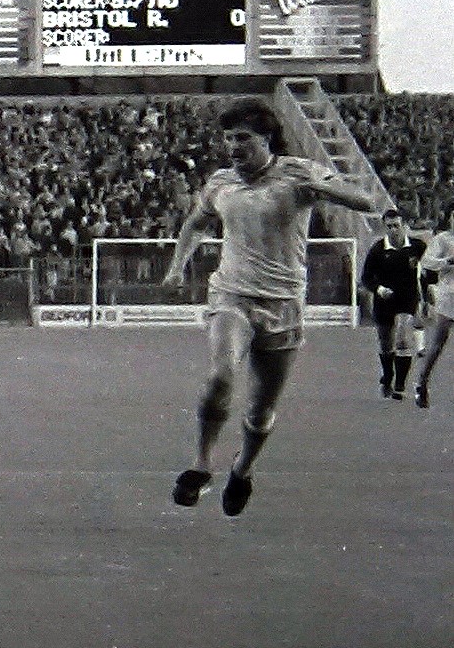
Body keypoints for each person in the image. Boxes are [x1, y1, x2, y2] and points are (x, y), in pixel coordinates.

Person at [163, 98, 381, 514]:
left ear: (266, 138)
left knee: (262, 409)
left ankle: (242, 469)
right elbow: (196, 223)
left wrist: (322, 187)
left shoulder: (299, 171)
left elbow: (366, 202)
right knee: (221, 375)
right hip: (232, 294)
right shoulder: (221, 183)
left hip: (283, 303)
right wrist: (177, 268)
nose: (233, 147)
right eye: (229, 139)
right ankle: (201, 465)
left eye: (243, 138)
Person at [359, 208, 424, 399]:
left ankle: (400, 385)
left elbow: (429, 269)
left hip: (407, 299)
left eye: (396, 226)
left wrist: (429, 293)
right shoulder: (378, 250)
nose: (393, 230)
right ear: (384, 227)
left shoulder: (417, 247)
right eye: (389, 226)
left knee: (403, 339)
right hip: (384, 300)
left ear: (404, 225)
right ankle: (387, 377)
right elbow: (366, 278)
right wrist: (379, 289)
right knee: (386, 343)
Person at [413, 214, 454, 410]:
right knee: (438, 343)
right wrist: (446, 262)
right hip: (449, 296)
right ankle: (422, 382)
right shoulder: (443, 240)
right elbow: (427, 261)